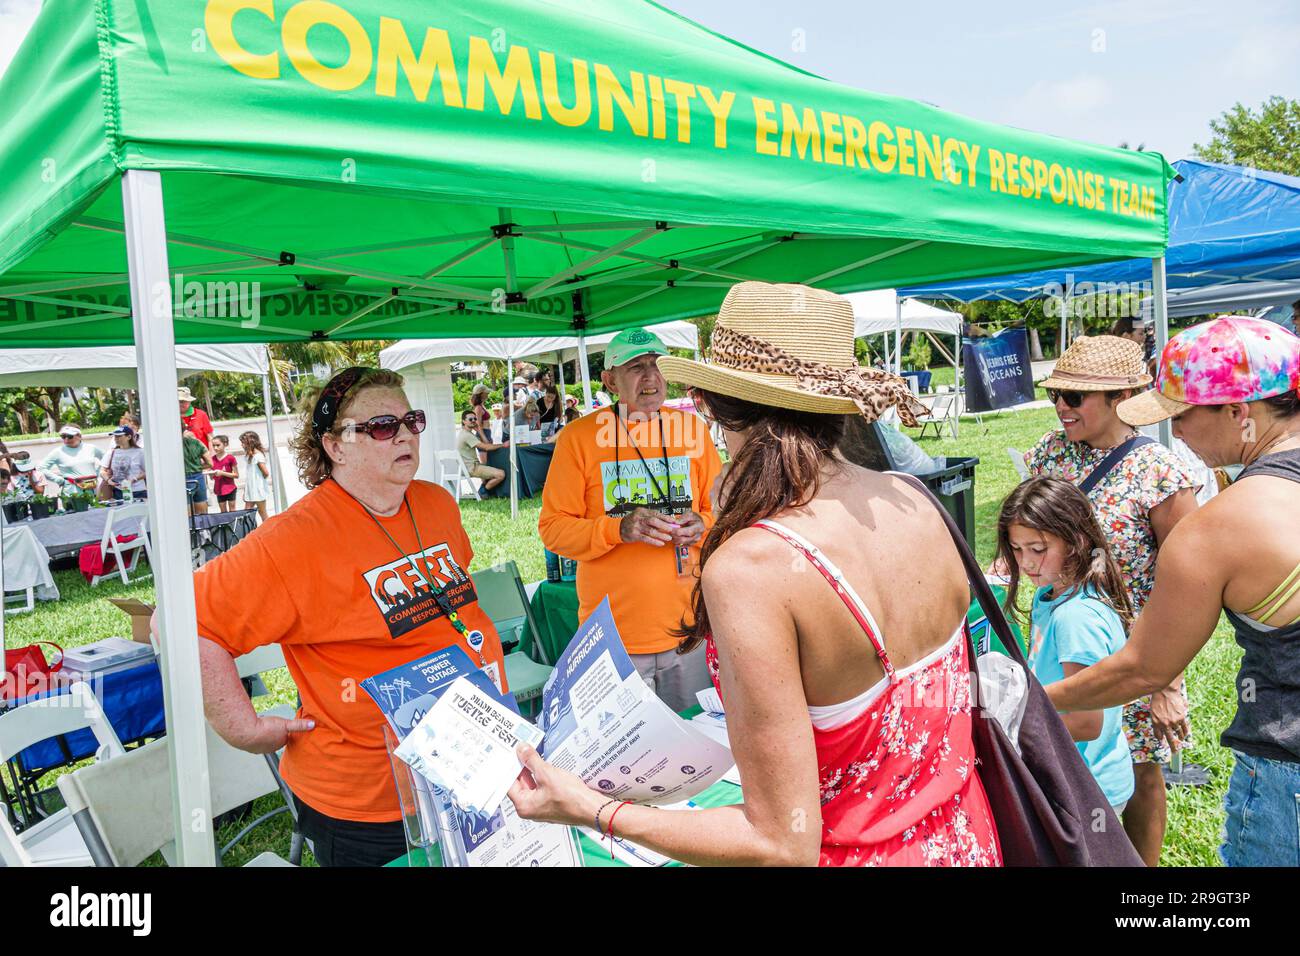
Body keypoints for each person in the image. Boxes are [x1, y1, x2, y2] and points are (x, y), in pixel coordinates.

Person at [515, 282, 1001, 866]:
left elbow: (779, 843)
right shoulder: (911, 498)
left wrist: (591, 808)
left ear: (720, 408)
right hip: (965, 839)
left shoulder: (753, 566)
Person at [188, 366, 509, 867]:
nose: (404, 434)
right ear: (335, 446)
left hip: (471, 762)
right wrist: (243, 728)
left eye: (411, 420)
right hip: (369, 802)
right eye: (382, 426)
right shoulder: (292, 539)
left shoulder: (436, 503)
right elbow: (186, 623)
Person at [1048, 316, 1300, 867]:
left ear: (1239, 413)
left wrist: (1027, 699)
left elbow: (1143, 670)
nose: (1176, 432)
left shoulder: (1218, 525)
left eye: (1181, 415)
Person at [1024, 334, 1200, 866]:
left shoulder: (1161, 472)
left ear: (1123, 396)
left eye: (1074, 398)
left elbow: (1188, 582)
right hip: (1064, 637)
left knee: (1141, 770)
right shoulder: (1047, 453)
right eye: (1056, 394)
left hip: (1136, 652)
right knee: (1071, 759)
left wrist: (1164, 680)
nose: (1060, 407)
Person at [539, 327, 723, 711]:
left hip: (689, 633)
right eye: (636, 367)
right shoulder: (579, 438)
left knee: (694, 751)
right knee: (627, 765)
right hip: (615, 641)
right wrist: (618, 528)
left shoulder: (692, 430)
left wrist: (703, 524)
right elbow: (553, 530)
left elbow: (725, 511)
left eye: (657, 365)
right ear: (609, 380)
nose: (650, 376)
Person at [997, 476, 1135, 815]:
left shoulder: (1074, 618)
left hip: (1086, 788)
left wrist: (1009, 727)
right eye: (1017, 550)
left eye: (1038, 549)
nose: (1026, 563)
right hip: (1077, 777)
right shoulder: (1053, 597)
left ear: (1075, 542)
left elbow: (1087, 722)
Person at [40, 425, 103, 492]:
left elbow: (107, 459)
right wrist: (58, 480)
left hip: (93, 489)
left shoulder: (91, 448)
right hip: (71, 491)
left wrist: (98, 472)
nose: (66, 439)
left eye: (70, 436)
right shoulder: (58, 452)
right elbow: (41, 468)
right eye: (63, 436)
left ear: (79, 436)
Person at [456, 410, 506, 493]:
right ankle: (483, 491)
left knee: (490, 465)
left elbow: (487, 444)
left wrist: (479, 431)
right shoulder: (467, 435)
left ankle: (484, 489)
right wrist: (503, 445)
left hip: (469, 466)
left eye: (475, 419)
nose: (473, 421)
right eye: (470, 419)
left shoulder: (466, 433)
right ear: (463, 421)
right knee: (501, 474)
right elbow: (487, 448)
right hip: (472, 468)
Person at [100, 425, 147, 500]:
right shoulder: (111, 452)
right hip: (118, 492)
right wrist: (109, 481)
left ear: (129, 437)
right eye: (115, 436)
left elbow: (148, 472)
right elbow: (102, 471)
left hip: (137, 492)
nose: (116, 439)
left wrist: (133, 479)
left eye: (119, 436)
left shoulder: (140, 452)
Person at [238, 430, 271, 522]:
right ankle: (249, 532)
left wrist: (259, 482)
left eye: (243, 443)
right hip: (251, 489)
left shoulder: (258, 456)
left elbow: (266, 473)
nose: (242, 445)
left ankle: (268, 531)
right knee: (247, 512)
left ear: (250, 442)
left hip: (258, 490)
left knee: (262, 512)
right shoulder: (250, 456)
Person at [182, 424, 214, 516]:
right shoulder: (197, 442)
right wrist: (196, 467)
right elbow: (210, 463)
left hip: (182, 478)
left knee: (186, 518)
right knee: (202, 516)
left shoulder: (170, 444)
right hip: (198, 477)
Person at [209, 435, 239, 513]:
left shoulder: (230, 458)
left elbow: (236, 475)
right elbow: (212, 477)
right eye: (213, 446)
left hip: (230, 488)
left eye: (218, 445)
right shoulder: (212, 459)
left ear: (225, 444)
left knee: (232, 510)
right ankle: (226, 525)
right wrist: (211, 474)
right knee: (223, 512)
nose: (215, 448)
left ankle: (233, 525)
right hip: (219, 489)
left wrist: (222, 473)